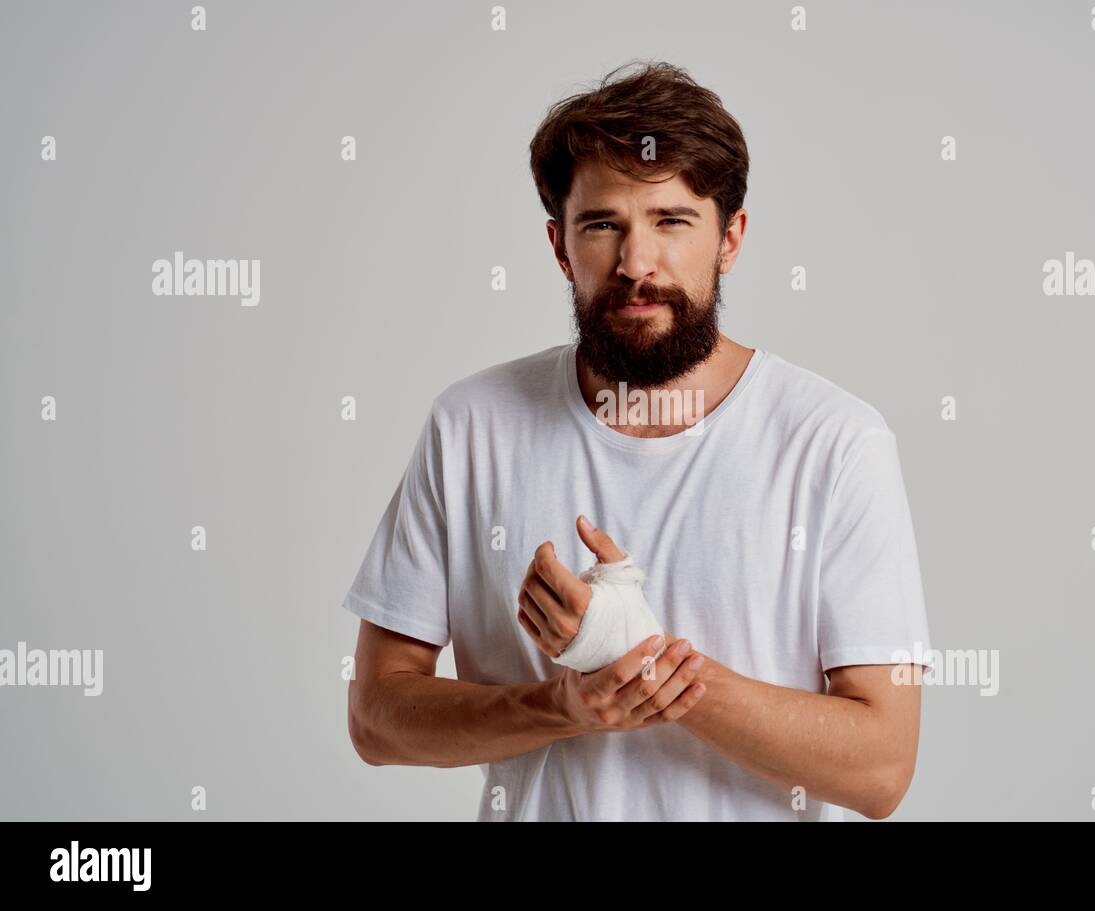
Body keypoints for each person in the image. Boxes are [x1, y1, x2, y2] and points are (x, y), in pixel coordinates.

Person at [342, 60, 934, 821]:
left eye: (672, 221)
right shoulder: (472, 427)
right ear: (561, 247)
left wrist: (636, 654)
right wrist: (563, 703)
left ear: (731, 238)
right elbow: (376, 717)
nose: (636, 265)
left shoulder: (835, 442)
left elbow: (882, 767)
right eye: (602, 226)